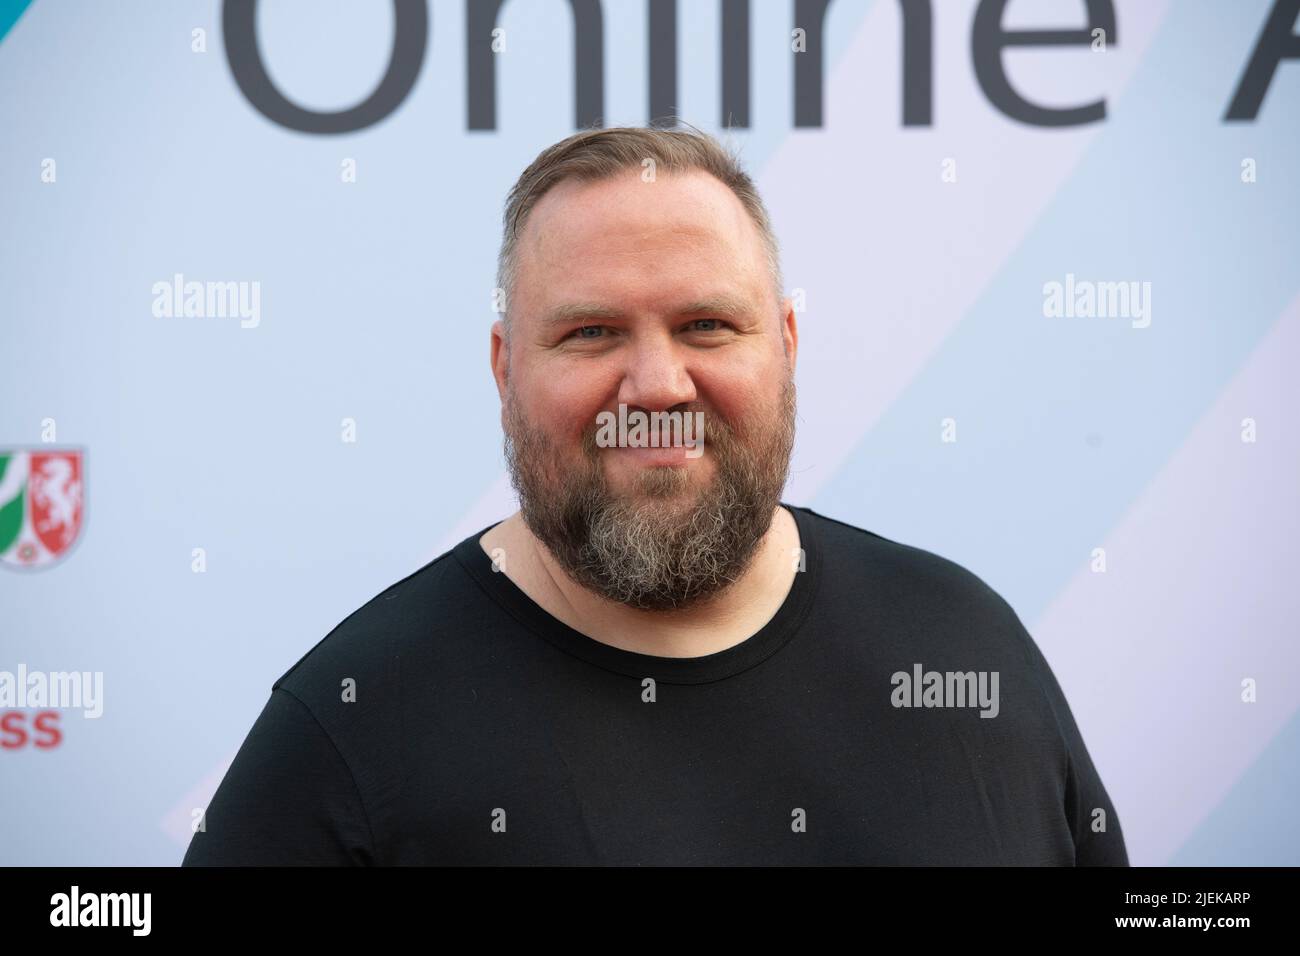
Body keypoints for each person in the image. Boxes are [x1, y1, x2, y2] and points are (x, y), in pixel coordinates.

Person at [182, 124, 1127, 866]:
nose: (657, 387)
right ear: (505, 366)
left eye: (708, 324)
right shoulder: (345, 731)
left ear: (787, 346)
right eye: (591, 332)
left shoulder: (965, 646)